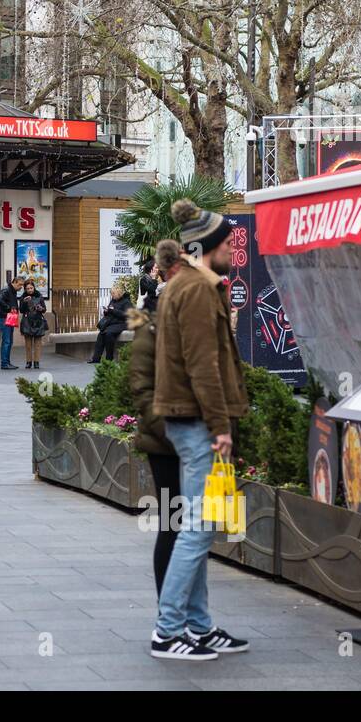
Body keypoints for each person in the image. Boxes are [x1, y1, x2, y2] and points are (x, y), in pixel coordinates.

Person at [150, 199, 250, 661]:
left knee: (197, 526)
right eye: (229, 242)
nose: (233, 247)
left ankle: (197, 625)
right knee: (198, 527)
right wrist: (220, 425)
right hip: (196, 422)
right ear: (210, 245)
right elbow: (203, 366)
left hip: (187, 420)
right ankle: (168, 630)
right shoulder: (196, 290)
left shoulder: (188, 285)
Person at [129, 239, 185, 598]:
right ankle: (170, 617)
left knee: (184, 524)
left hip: (177, 433)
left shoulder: (171, 312)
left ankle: (189, 618)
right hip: (166, 436)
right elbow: (143, 384)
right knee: (174, 522)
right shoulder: (153, 318)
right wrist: (171, 428)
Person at [89, 284, 132, 363]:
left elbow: (127, 315)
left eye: (113, 293)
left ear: (119, 293)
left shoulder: (126, 302)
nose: (112, 295)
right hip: (113, 323)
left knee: (109, 333)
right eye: (111, 293)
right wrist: (106, 311)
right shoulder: (113, 300)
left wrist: (113, 310)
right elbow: (110, 312)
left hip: (123, 323)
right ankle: (96, 358)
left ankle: (109, 358)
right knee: (101, 333)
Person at [0, 276, 24, 370]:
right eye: (20, 284)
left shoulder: (12, 290)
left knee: (9, 341)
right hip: (5, 318)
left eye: (22, 285)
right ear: (14, 282)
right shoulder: (7, 289)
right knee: (7, 341)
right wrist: (8, 308)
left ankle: (7, 362)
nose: (21, 287)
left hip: (9, 318)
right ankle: (4, 363)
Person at [18, 279, 48, 370]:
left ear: (34, 287)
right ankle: (28, 362)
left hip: (38, 321)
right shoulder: (23, 297)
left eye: (31, 288)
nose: (30, 290)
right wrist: (24, 302)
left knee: (37, 343)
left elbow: (44, 310)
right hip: (27, 321)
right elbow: (21, 310)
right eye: (27, 288)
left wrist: (40, 308)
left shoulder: (39, 296)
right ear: (25, 289)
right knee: (28, 343)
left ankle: (36, 362)